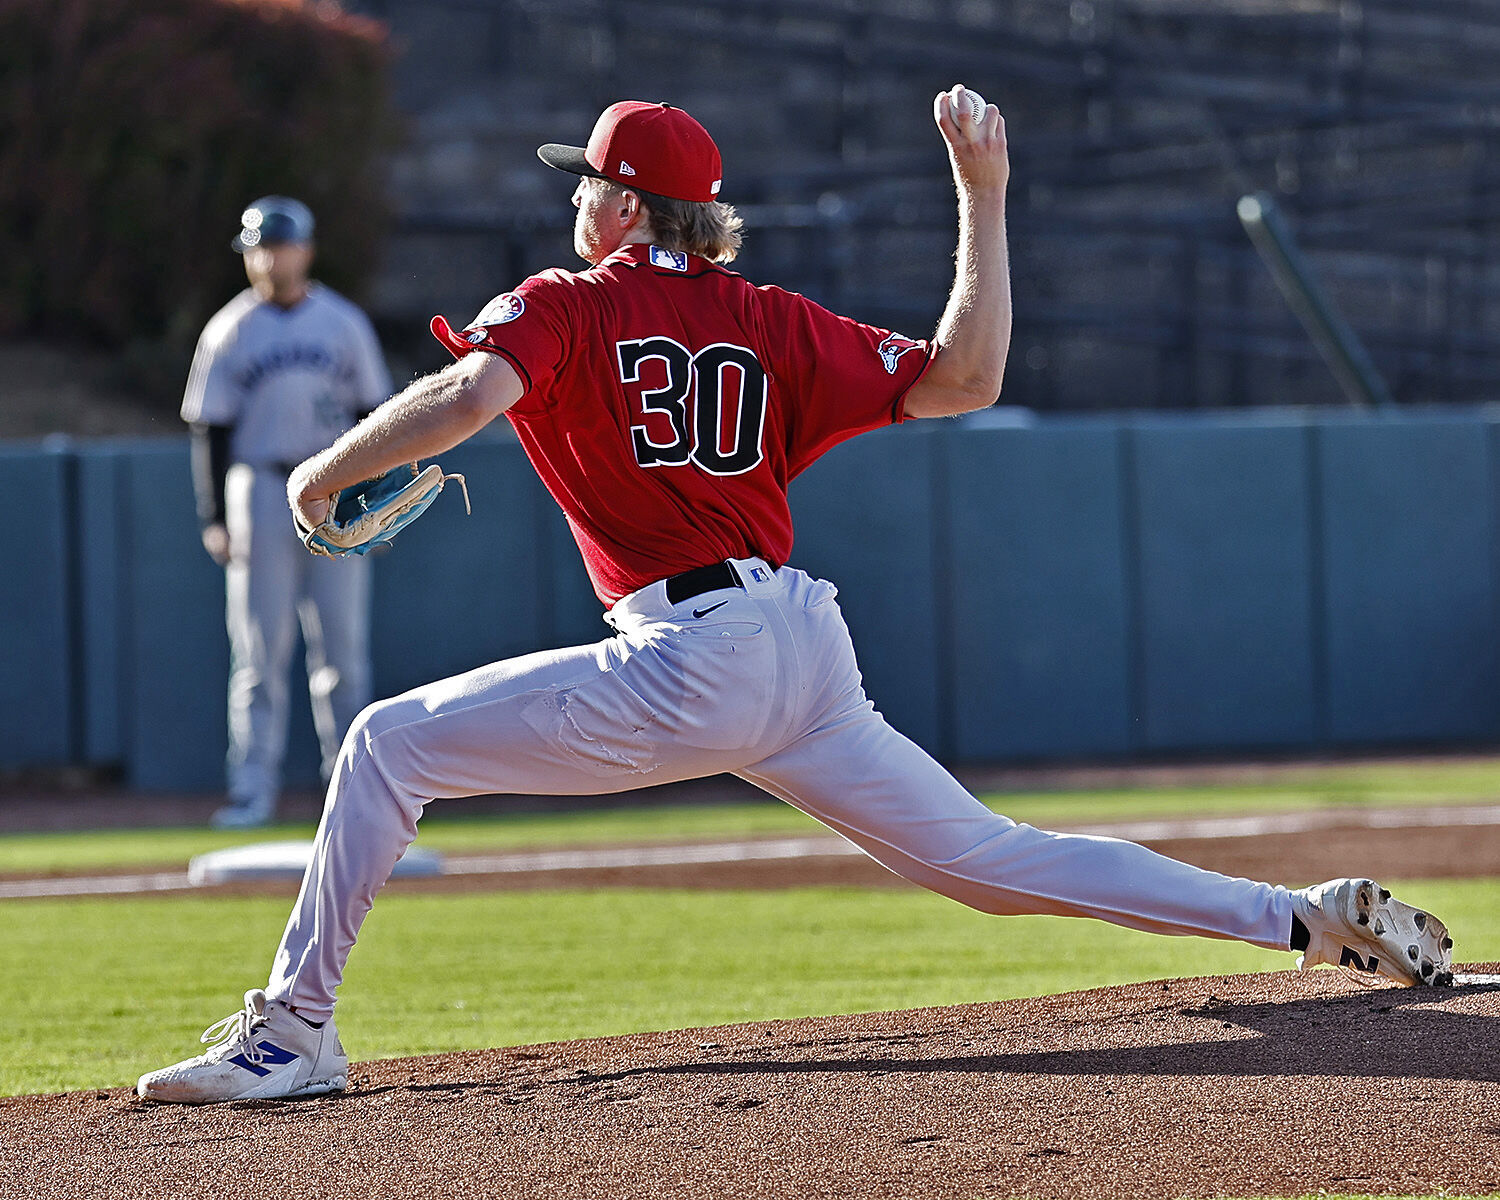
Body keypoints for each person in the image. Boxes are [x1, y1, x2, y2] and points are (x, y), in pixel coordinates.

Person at [139, 90, 1453, 1104]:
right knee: (995, 868)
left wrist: (318, 469)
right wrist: (983, 198)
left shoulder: (564, 303)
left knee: (383, 745)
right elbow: (965, 379)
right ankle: (1301, 919)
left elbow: (467, 399)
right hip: (799, 649)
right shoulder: (766, 316)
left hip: (691, 657)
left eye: (588, 182)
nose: (576, 202)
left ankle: (292, 1033)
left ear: (626, 207)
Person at [181, 197, 393, 829]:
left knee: (344, 654)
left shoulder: (342, 322)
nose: (270, 259)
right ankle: (252, 791)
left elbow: (374, 418)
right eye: (258, 249)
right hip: (262, 489)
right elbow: (210, 430)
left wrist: (373, 502)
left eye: (280, 246)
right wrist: (213, 515)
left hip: (334, 487)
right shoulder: (230, 328)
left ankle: (351, 791)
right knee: (258, 653)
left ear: (306, 249)